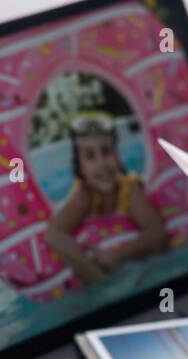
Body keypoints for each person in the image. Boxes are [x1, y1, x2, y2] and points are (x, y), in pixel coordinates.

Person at [44, 112, 166, 284]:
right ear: (80, 167)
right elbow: (54, 235)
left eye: (106, 151)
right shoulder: (84, 194)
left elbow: (156, 234)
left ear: (117, 155)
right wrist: (98, 278)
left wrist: (116, 257)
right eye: (90, 156)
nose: (101, 163)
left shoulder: (128, 190)